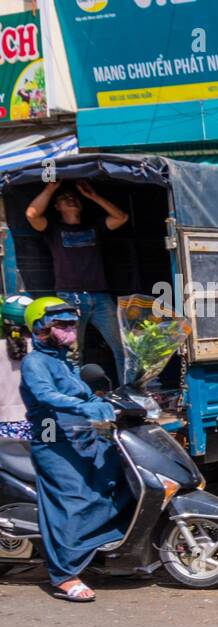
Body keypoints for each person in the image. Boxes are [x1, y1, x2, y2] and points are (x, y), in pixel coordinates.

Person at [19, 297, 132, 602]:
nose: (69, 329)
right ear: (41, 328)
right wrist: (86, 407)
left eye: (71, 323)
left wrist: (106, 403)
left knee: (117, 476)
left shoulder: (65, 362)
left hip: (79, 432)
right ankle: (64, 575)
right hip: (50, 432)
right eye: (61, 324)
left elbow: (87, 393)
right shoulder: (35, 362)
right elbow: (46, 394)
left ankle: (100, 547)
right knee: (73, 498)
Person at [26, 180, 129, 383]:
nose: (70, 199)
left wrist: (93, 196)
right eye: (64, 199)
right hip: (69, 298)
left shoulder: (94, 227)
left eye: (74, 198)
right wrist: (51, 188)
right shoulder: (53, 229)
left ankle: (130, 393)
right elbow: (32, 214)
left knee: (124, 348)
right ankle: (77, 396)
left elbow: (121, 217)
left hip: (100, 297)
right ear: (56, 207)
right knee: (72, 352)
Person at [1, 295, 32, 440]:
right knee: (51, 457)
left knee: (8, 462)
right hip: (44, 422)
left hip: (4, 424)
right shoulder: (44, 351)